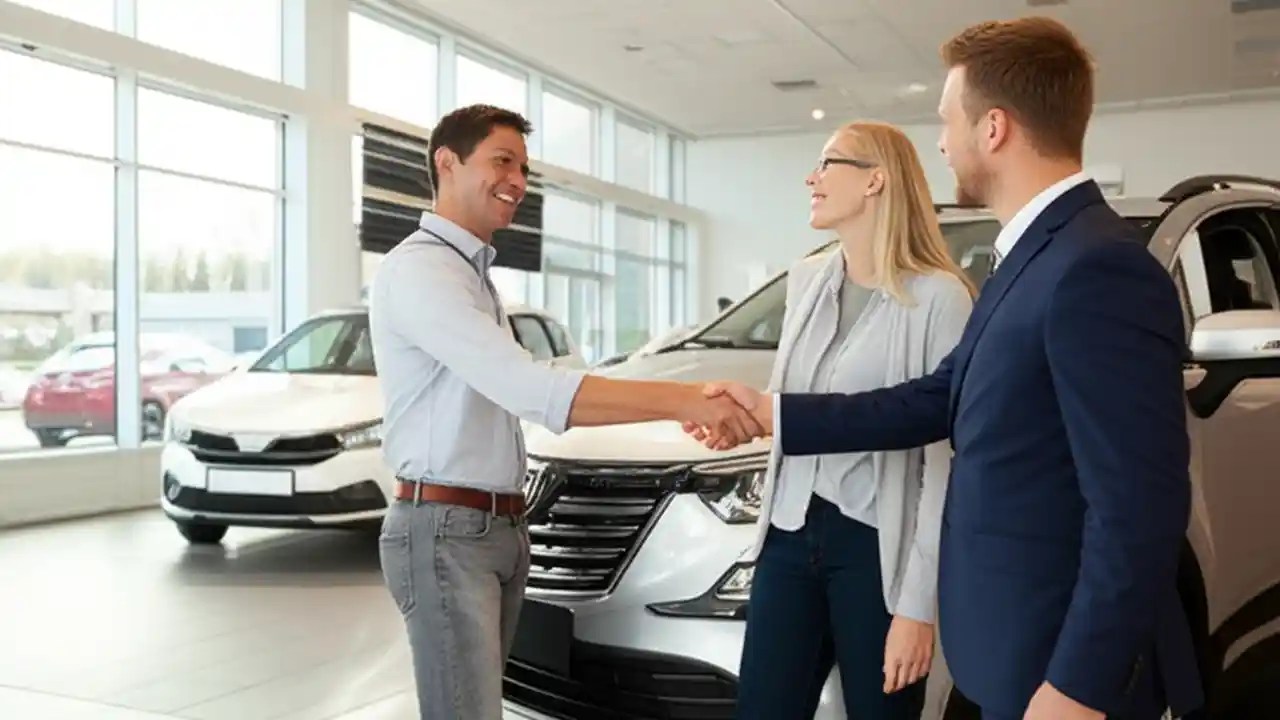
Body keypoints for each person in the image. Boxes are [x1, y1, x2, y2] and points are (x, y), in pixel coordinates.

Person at [689, 17, 1203, 720]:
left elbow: (1140, 507)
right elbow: (933, 400)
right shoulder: (1028, 260)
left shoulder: (1097, 266)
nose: (941, 142)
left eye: (947, 120)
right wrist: (771, 411)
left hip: (1058, 672)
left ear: (993, 128)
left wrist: (1081, 685)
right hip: (1010, 651)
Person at [368, 103, 761, 720]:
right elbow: (533, 391)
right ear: (447, 163)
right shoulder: (422, 271)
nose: (518, 181)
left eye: (523, 167)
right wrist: (685, 399)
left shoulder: (473, 276)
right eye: (502, 161)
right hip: (445, 528)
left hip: (496, 526)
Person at [734, 121, 974, 720]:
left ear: (876, 180)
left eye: (827, 163)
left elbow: (944, 467)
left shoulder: (942, 298)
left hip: (872, 548)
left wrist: (919, 608)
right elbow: (790, 402)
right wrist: (740, 419)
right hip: (788, 537)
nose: (811, 178)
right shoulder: (806, 281)